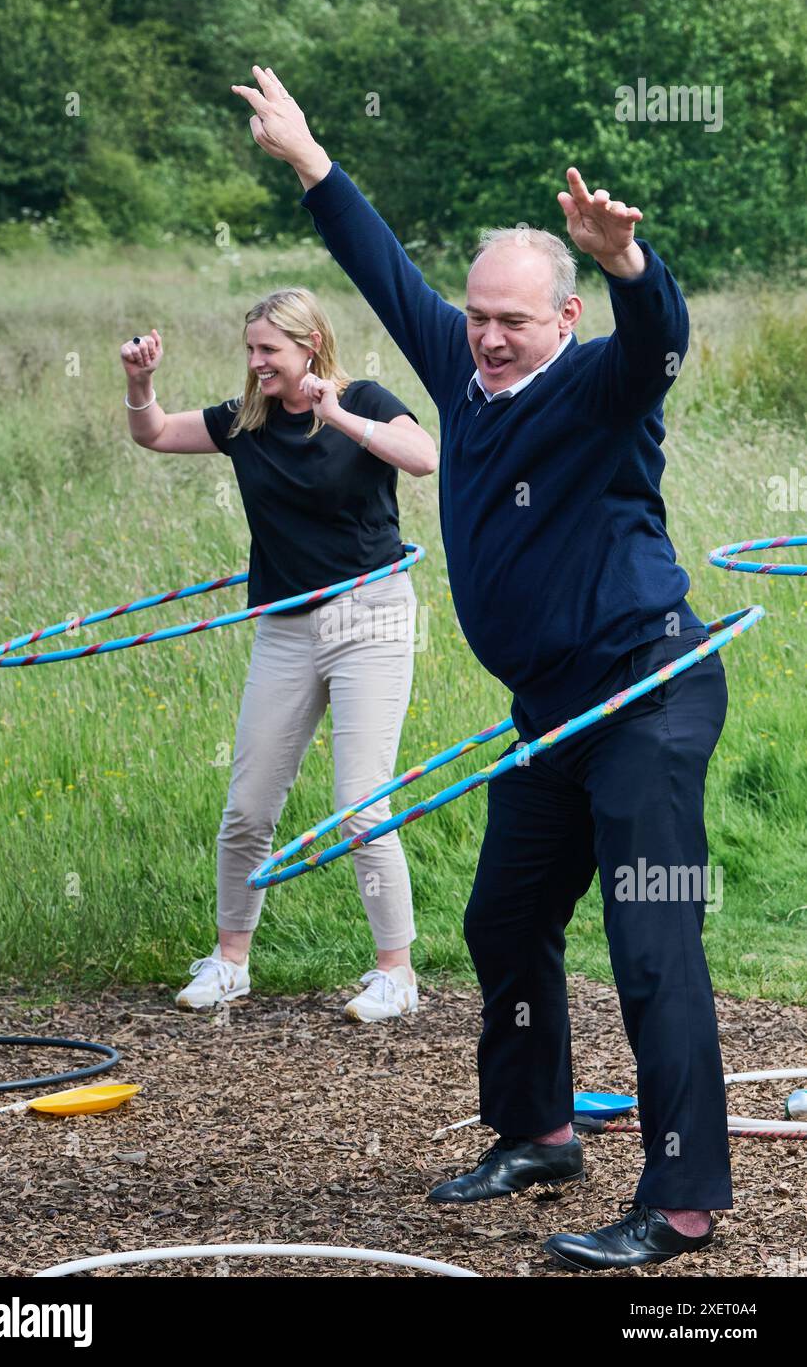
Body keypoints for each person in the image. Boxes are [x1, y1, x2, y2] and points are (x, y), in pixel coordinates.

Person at [231, 64, 730, 1270]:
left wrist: (624, 268)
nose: (490, 335)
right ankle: (537, 1131)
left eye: (515, 317)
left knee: (649, 937)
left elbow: (658, 337)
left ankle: (680, 1202)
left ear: (561, 321)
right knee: (503, 917)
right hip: (549, 713)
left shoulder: (605, 388)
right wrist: (307, 158)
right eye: (479, 314)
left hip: (644, 694)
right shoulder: (458, 371)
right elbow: (377, 266)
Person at [120, 286, 438, 1022]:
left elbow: (422, 458)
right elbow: (156, 434)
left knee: (360, 806)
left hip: (372, 618)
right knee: (247, 808)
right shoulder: (245, 422)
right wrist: (141, 385)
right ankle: (231, 961)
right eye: (252, 350)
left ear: (309, 348)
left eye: (269, 351)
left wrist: (337, 416)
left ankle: (397, 972)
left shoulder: (361, 397)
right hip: (287, 627)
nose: (257, 362)